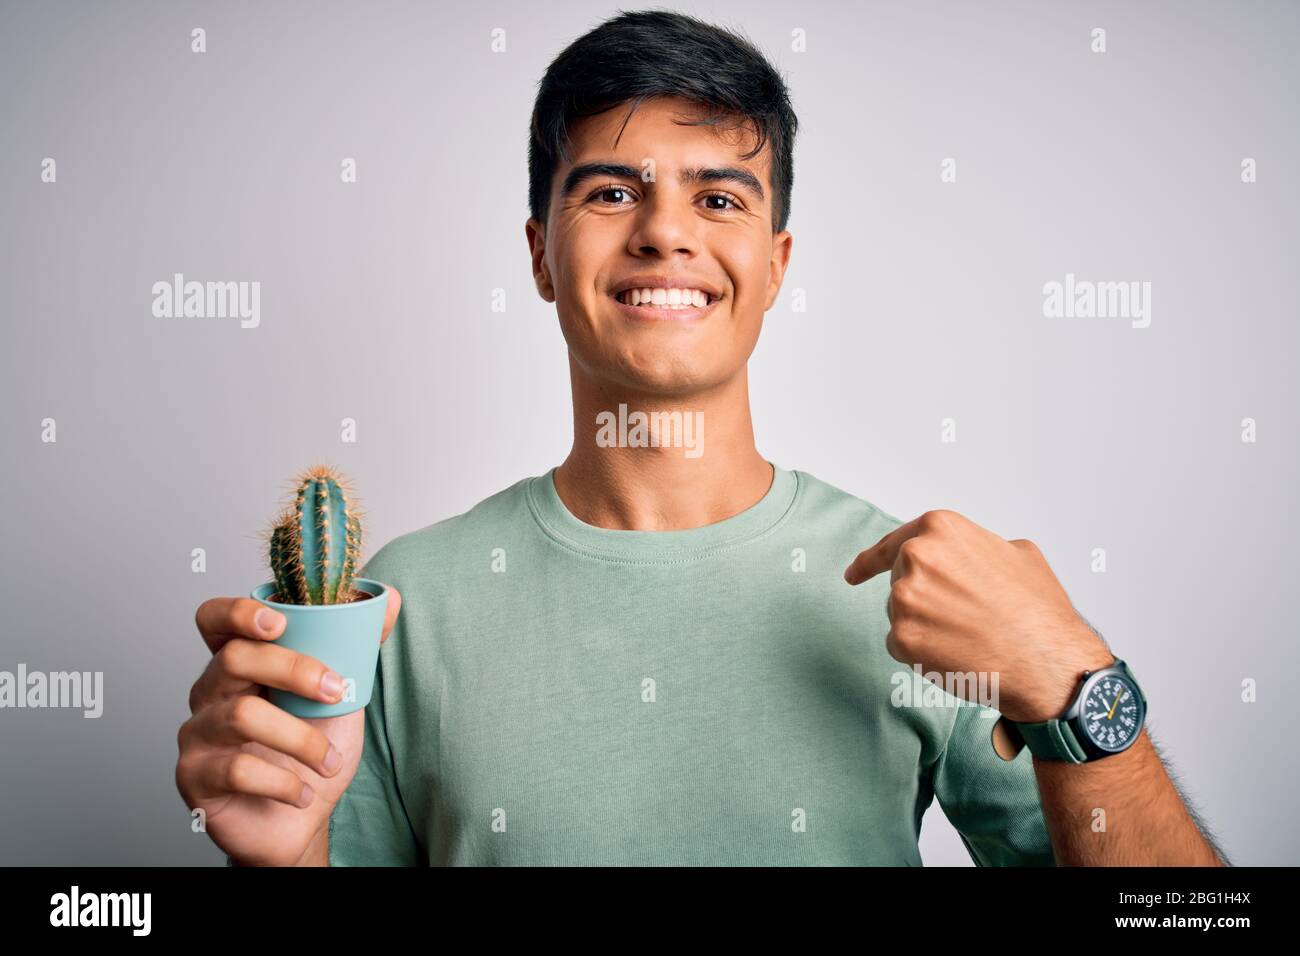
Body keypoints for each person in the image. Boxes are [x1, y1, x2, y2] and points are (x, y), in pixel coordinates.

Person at [176, 9, 1227, 866]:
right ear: (541, 255)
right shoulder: (399, 604)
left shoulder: (923, 593)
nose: (664, 230)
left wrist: (1082, 688)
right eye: (610, 190)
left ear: (774, 264)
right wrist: (284, 859)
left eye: (717, 196)